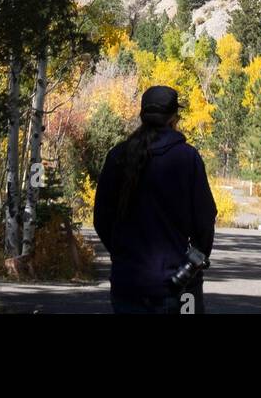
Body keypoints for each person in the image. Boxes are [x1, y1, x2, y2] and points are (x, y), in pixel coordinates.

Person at [93, 84, 217, 314]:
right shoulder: (187, 158)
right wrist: (196, 257)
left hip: (128, 283)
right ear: (174, 117)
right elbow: (205, 217)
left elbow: (101, 218)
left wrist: (124, 253)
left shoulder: (118, 156)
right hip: (177, 284)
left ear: (142, 116)